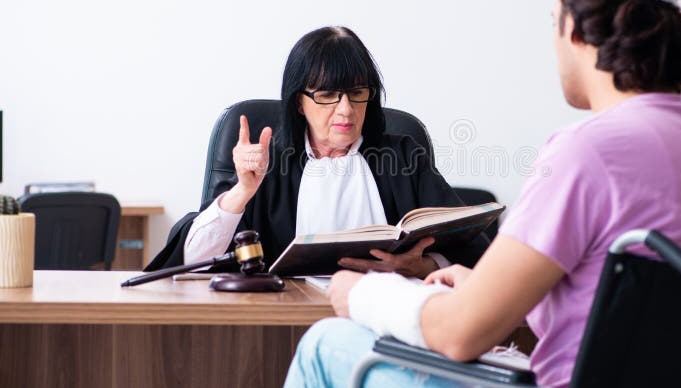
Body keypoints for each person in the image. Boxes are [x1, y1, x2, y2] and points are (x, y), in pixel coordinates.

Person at [275, 0, 681, 388]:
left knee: (326, 346)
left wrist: (364, 294)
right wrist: (480, 287)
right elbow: (627, 309)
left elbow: (460, 334)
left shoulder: (588, 153)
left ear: (574, 29)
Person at [146, 26, 489, 278]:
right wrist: (242, 191)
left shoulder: (402, 158)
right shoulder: (270, 165)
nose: (346, 110)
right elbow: (194, 261)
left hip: (385, 320)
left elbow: (475, 249)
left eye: (357, 93)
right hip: (281, 327)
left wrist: (425, 265)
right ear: (299, 101)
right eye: (327, 95)